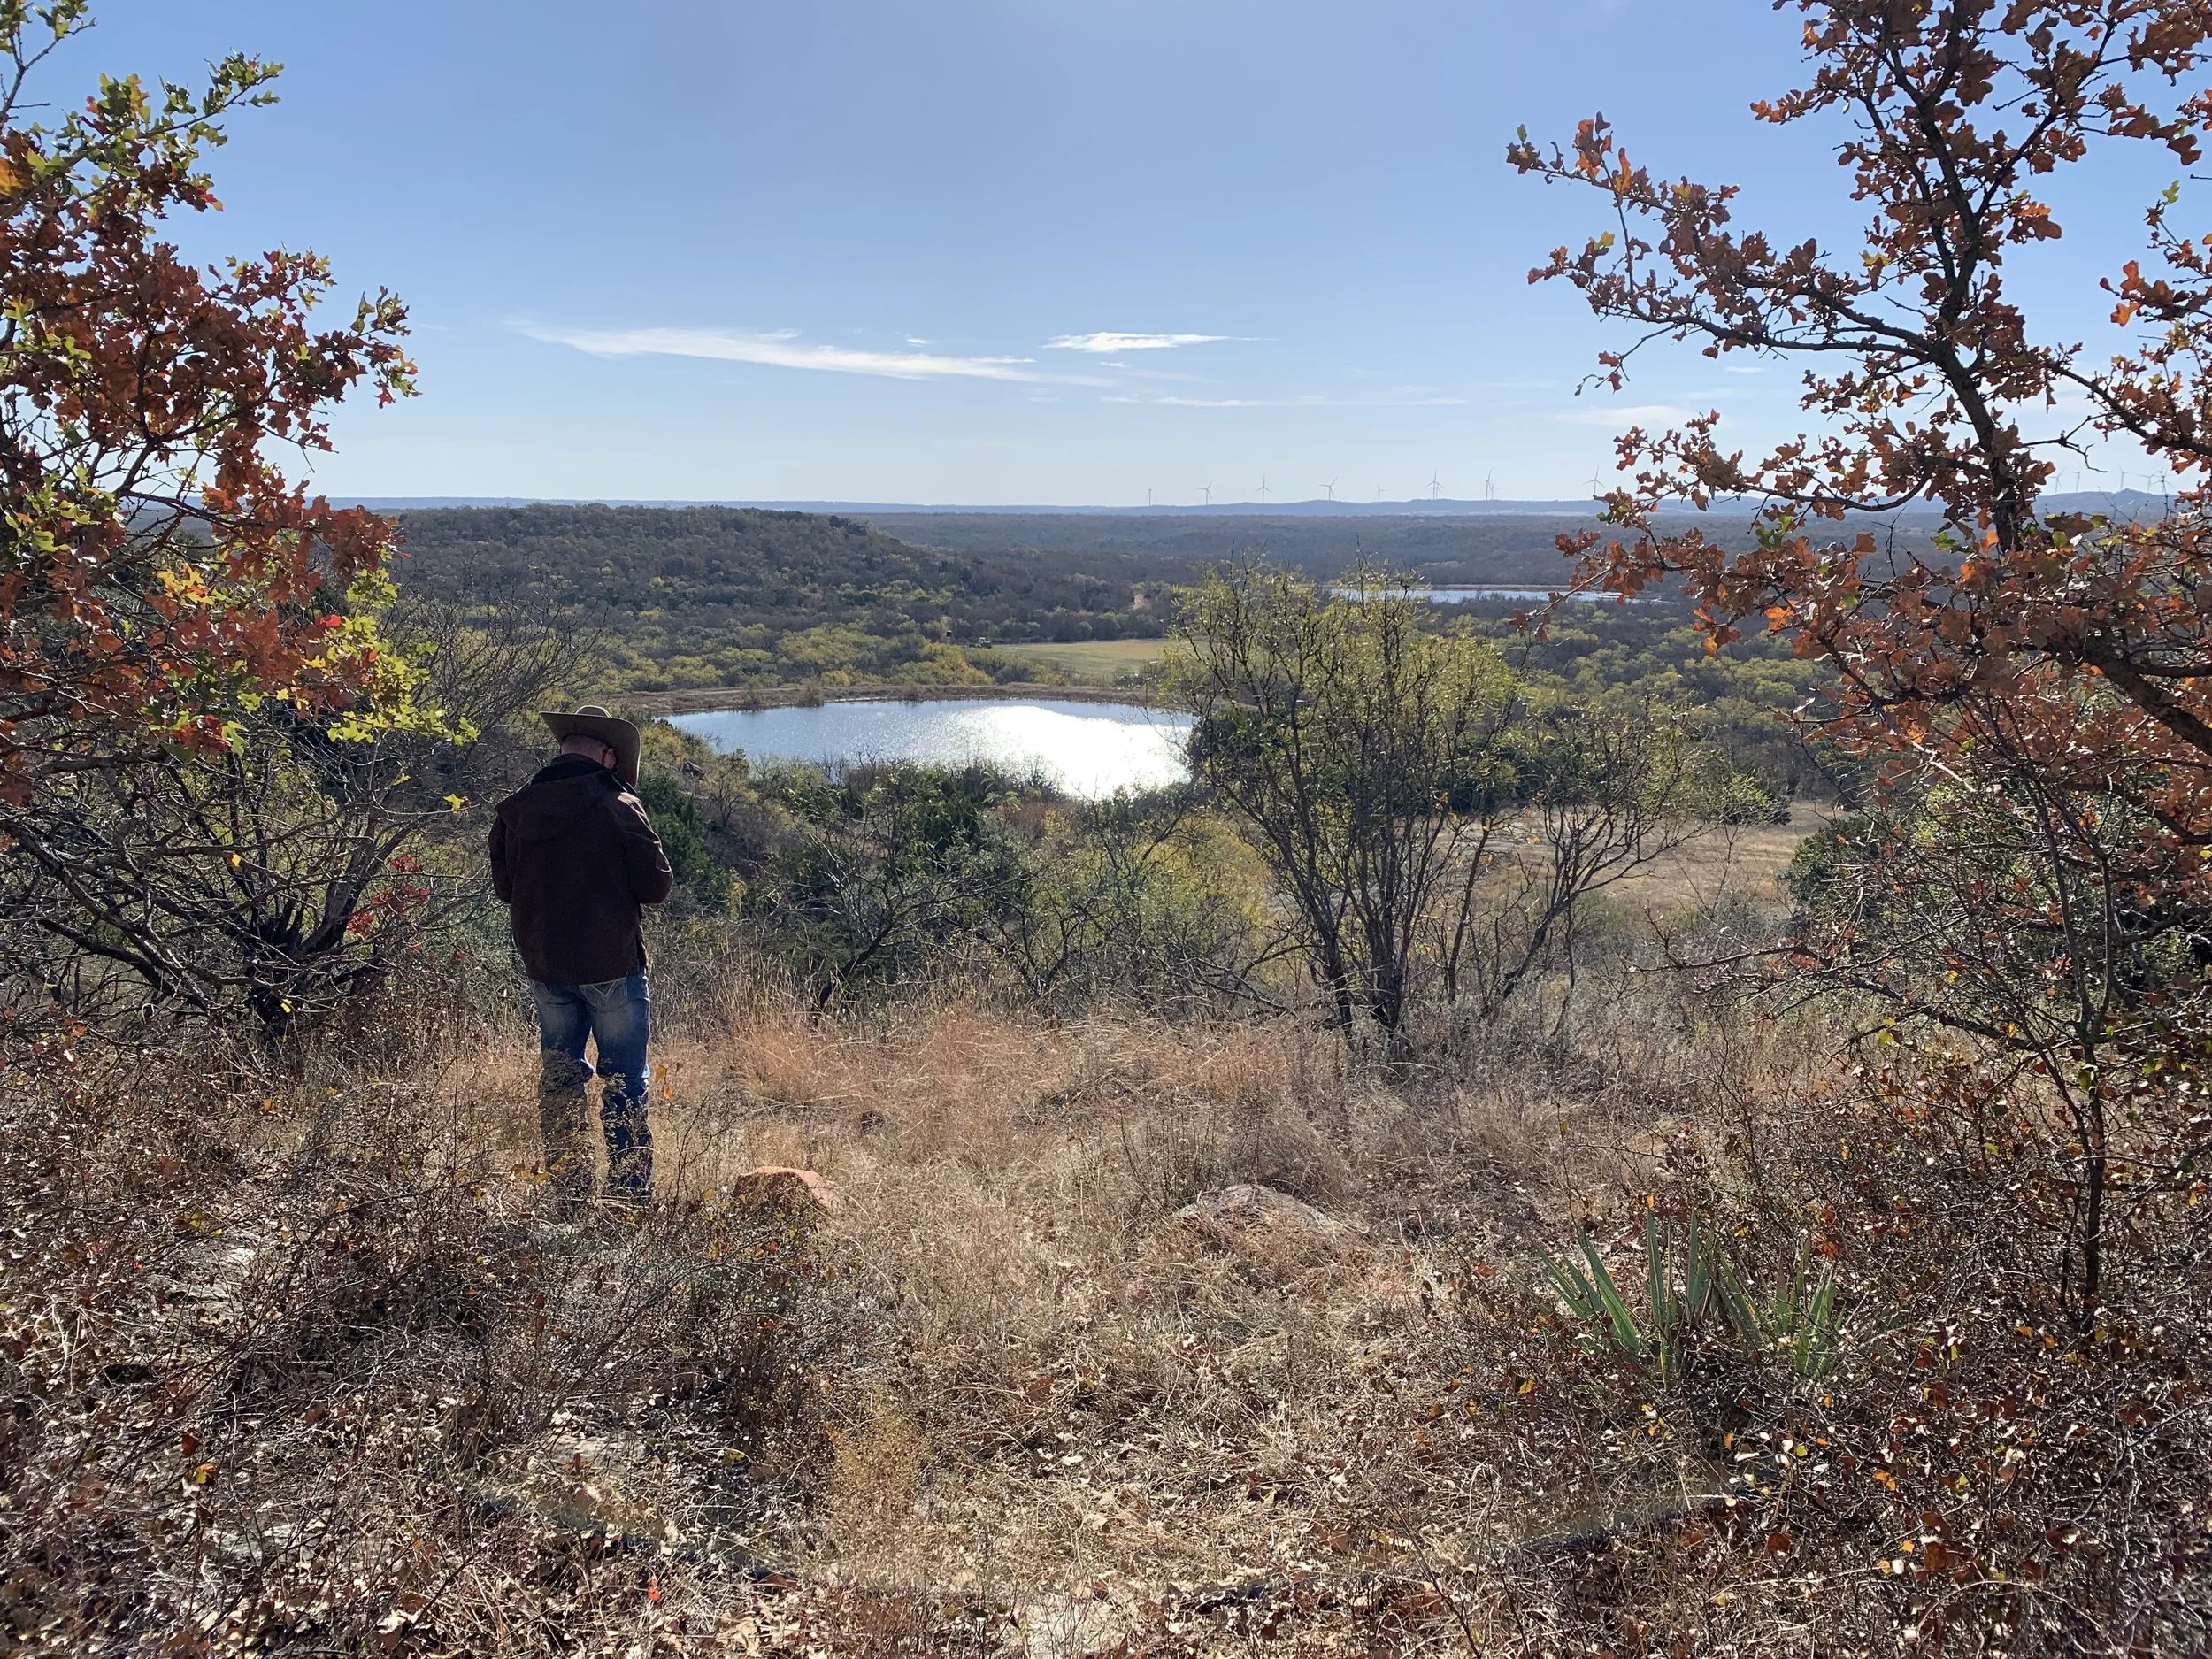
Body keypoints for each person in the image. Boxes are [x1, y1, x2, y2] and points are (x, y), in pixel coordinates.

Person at [489, 705, 673, 1212]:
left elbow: (505, 888)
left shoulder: (515, 810)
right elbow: (656, 886)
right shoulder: (618, 804)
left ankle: (568, 1191)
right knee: (624, 1078)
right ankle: (628, 1197)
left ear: (565, 748)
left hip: (545, 966)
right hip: (612, 963)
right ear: (608, 755)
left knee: (561, 1074)